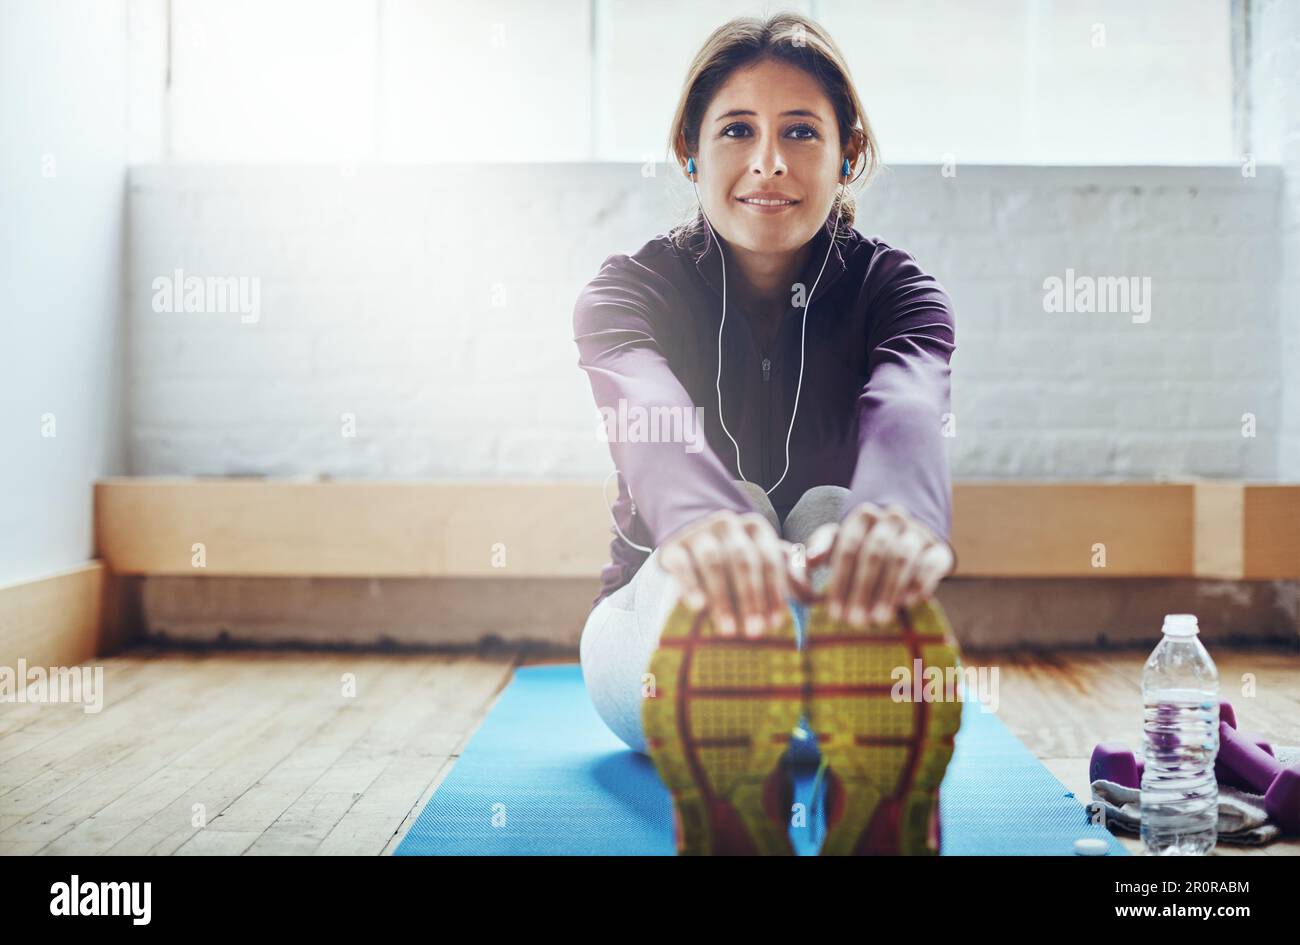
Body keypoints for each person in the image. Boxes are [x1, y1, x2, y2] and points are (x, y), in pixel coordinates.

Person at [571, 12, 961, 854]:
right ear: (690, 148)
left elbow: (908, 403)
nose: (769, 162)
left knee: (832, 508)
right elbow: (648, 410)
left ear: (847, 152)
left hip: (821, 633)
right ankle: (725, 761)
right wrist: (708, 525)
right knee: (740, 502)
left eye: (801, 132)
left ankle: (873, 781)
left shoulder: (900, 291)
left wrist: (896, 518)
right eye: (738, 130)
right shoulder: (626, 292)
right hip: (651, 632)